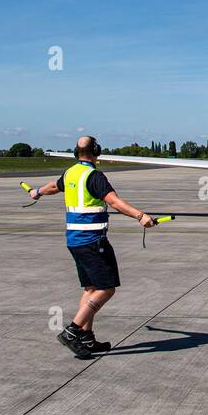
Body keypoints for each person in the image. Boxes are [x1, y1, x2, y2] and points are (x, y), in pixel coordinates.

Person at [28, 135, 155, 358]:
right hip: (93, 241)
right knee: (106, 288)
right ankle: (72, 331)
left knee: (90, 289)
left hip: (74, 241)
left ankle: (86, 339)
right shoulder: (94, 176)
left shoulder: (71, 173)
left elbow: (52, 187)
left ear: (76, 152)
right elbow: (114, 202)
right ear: (96, 151)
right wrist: (141, 215)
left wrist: (36, 192)